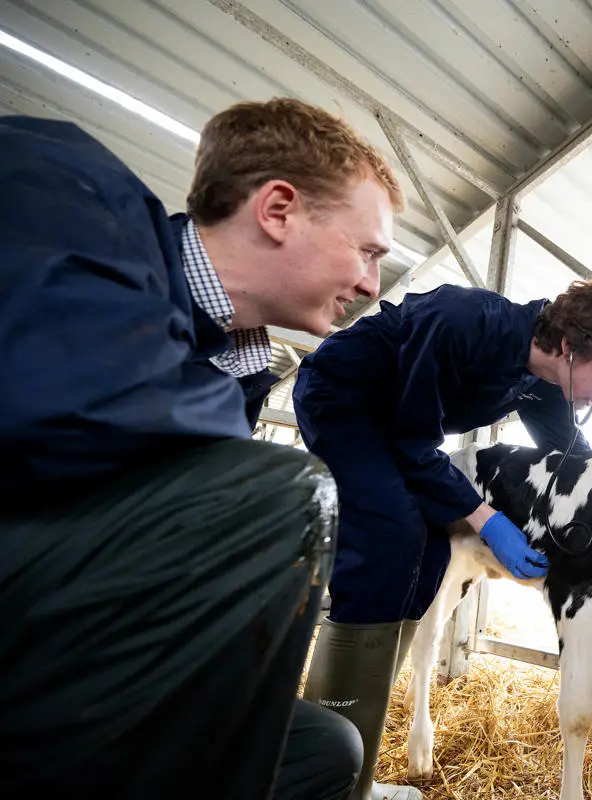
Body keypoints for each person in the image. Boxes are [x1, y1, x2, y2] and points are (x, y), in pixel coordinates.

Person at [0, 97, 403, 800]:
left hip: (66, 626)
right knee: (288, 493)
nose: (371, 284)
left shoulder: (231, 364)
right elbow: (45, 400)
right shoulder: (75, 192)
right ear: (277, 210)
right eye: (367, 250)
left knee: (328, 748)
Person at [293, 276, 592, 799]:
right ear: (570, 347)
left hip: (400, 430)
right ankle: (319, 777)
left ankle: (353, 775)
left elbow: (574, 456)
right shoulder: (464, 321)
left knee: (427, 557)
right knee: (390, 536)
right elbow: (413, 440)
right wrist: (487, 519)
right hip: (344, 399)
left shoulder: (540, 379)